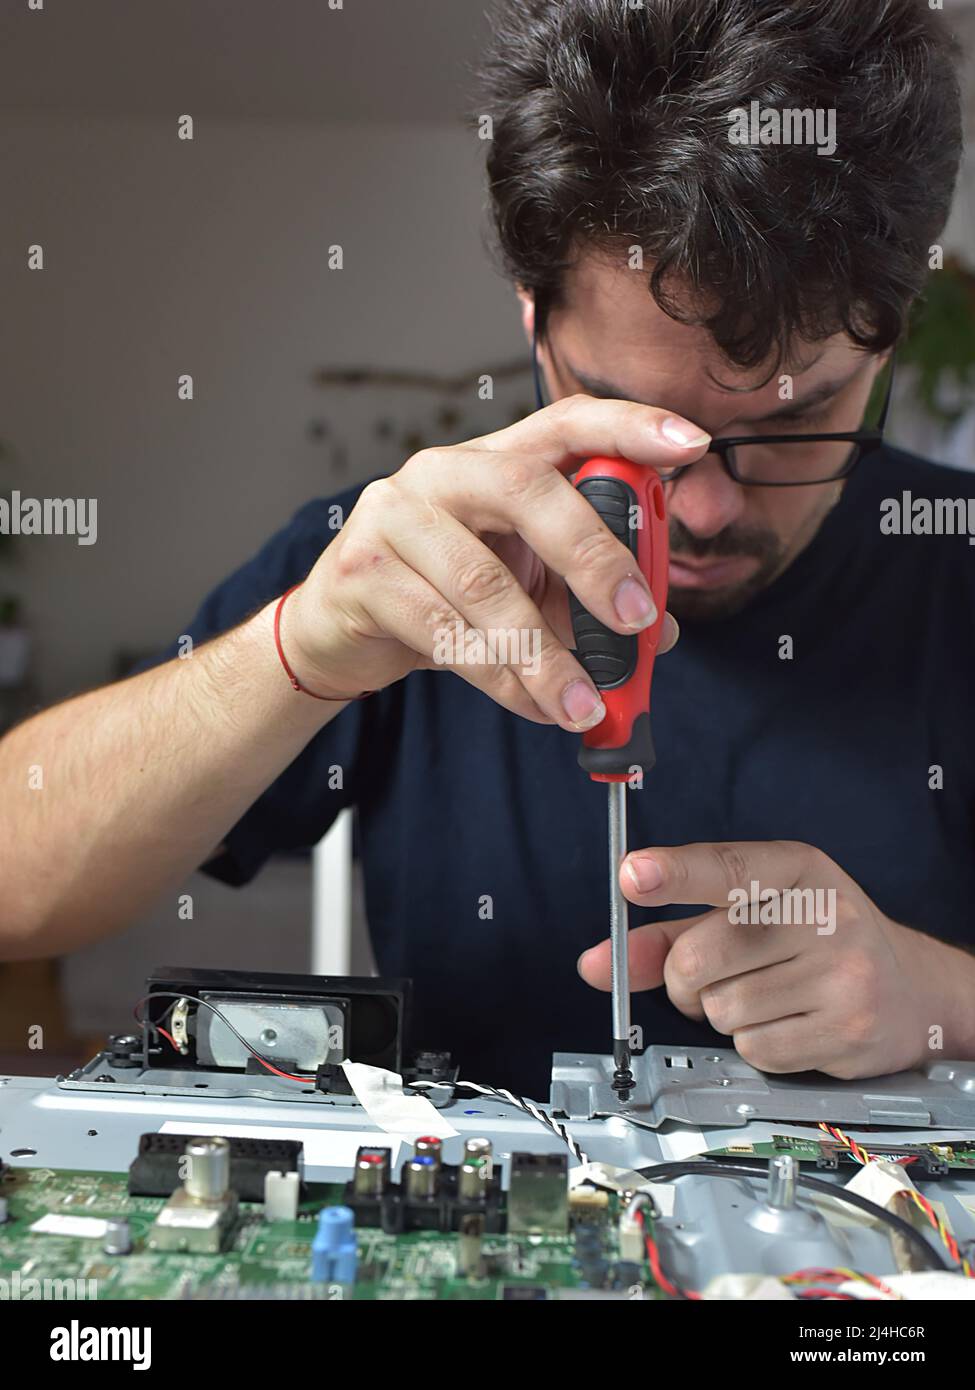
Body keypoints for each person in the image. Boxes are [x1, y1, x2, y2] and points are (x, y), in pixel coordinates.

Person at [2, 0, 973, 1098]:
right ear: (531, 314)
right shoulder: (395, 562)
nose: (696, 511)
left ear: (888, 338)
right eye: (623, 422)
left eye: (793, 423)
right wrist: (297, 655)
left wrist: (941, 1000)